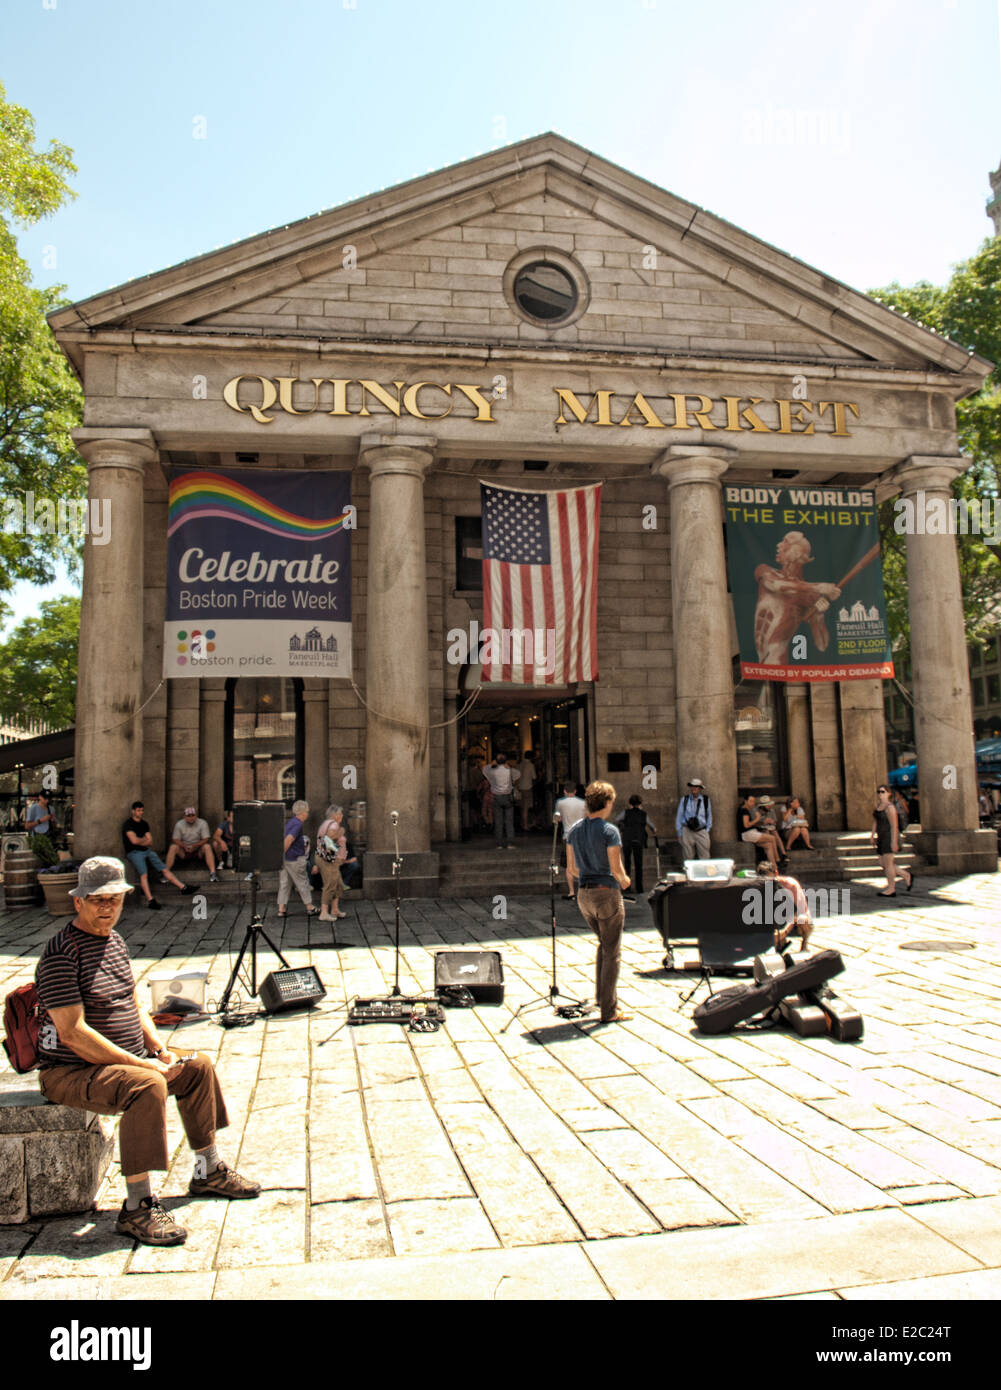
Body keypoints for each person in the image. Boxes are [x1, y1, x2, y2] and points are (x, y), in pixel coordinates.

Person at [35, 857, 260, 1248]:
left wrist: (157, 1048)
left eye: (115, 899)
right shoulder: (62, 953)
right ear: (78, 902)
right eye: (98, 899)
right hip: (70, 1072)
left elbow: (135, 1005)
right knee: (146, 1085)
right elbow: (72, 1032)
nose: (107, 907)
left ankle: (208, 1170)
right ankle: (138, 1206)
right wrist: (139, 1063)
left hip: (126, 1061)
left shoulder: (116, 942)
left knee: (198, 1066)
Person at [565, 781, 632, 1025]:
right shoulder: (609, 831)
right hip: (606, 893)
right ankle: (609, 1010)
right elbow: (617, 869)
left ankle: (601, 999)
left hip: (584, 895)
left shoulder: (574, 830)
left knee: (603, 944)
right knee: (612, 951)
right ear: (606, 803)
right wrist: (626, 881)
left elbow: (571, 868)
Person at [753, 531, 842, 666]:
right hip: (754, 663)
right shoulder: (765, 571)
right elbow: (775, 585)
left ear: (796, 554)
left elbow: (822, 645)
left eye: (785, 543)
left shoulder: (809, 596)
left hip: (776, 662)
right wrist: (818, 587)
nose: (779, 545)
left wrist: (819, 616)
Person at [122, 801, 195, 909]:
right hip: (134, 852)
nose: (140, 812)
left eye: (142, 810)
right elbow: (133, 841)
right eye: (138, 810)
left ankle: (183, 887)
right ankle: (150, 900)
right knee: (144, 875)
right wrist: (143, 840)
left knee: (164, 869)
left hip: (146, 850)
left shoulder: (144, 824)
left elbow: (150, 841)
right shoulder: (128, 824)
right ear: (133, 811)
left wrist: (141, 840)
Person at [757, 860, 813, 952]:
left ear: (776, 873)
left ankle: (804, 945)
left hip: (795, 918)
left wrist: (786, 930)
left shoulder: (791, 885)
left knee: (803, 918)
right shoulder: (762, 886)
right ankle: (779, 945)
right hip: (778, 919)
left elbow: (800, 910)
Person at [277, 799, 317, 917]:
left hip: (285, 858)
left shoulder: (290, 822)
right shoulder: (298, 824)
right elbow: (289, 839)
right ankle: (310, 907)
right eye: (307, 811)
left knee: (285, 883)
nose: (308, 814)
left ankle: (281, 909)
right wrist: (282, 852)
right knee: (302, 882)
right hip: (294, 858)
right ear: (303, 812)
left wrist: (280, 856)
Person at [615, 794, 658, 902]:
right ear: (640, 803)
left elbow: (616, 820)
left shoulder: (626, 813)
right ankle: (639, 887)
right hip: (638, 840)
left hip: (627, 839)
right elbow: (652, 826)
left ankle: (627, 887)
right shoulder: (643, 814)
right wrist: (653, 830)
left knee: (627, 864)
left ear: (630, 803)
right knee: (639, 864)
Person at [872, 784, 912, 897]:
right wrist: (872, 835)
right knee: (881, 862)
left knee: (888, 864)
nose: (880, 794)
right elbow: (875, 821)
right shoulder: (878, 806)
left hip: (889, 837)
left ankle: (891, 889)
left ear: (889, 793)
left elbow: (894, 826)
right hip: (881, 836)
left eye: (883, 792)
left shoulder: (890, 807)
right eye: (879, 792)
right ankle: (905, 875)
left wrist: (894, 842)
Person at [165, 807, 218, 882]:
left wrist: (196, 846)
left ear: (196, 816)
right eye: (188, 816)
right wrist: (183, 846)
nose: (191, 818)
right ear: (184, 816)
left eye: (193, 815)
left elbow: (206, 839)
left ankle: (213, 873)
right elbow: (175, 839)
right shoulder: (179, 824)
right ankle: (166, 873)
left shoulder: (202, 823)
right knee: (173, 847)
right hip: (183, 850)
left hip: (198, 850)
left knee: (207, 846)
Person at [315, 803, 348, 922]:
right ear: (335, 815)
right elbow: (330, 837)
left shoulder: (326, 823)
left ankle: (334, 909)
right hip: (329, 861)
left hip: (328, 859)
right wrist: (341, 831)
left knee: (338, 884)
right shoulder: (333, 825)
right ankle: (324, 913)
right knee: (330, 885)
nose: (342, 816)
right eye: (340, 813)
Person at [555, 781, 587, 898]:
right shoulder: (583, 803)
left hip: (568, 835)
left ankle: (572, 892)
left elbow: (557, 818)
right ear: (575, 791)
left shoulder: (561, 803)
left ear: (564, 791)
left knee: (569, 864)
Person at [482, 753, 520, 849]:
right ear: (506, 761)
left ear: (496, 761)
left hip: (496, 797)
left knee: (498, 821)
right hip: (508, 797)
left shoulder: (492, 771)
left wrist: (491, 764)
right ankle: (510, 843)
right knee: (509, 821)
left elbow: (484, 770)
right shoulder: (510, 771)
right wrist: (509, 766)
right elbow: (518, 774)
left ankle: (499, 843)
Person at [739, 793, 786, 869]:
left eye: (753, 801)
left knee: (769, 845)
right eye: (750, 801)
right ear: (745, 801)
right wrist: (757, 819)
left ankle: (774, 867)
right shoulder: (744, 811)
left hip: (753, 832)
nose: (753, 803)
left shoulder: (749, 810)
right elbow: (746, 825)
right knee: (772, 838)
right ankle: (778, 859)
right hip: (747, 834)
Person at [675, 777, 712, 860]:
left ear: (700, 788)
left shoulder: (705, 800)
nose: (694, 788)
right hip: (687, 829)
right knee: (688, 857)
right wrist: (680, 833)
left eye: (696, 787)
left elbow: (709, 815)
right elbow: (679, 816)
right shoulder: (684, 799)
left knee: (705, 856)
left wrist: (707, 830)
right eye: (692, 786)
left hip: (701, 829)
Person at [518, 752, 537, 831]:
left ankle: (522, 823)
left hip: (519, 788)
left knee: (521, 807)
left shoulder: (519, 765)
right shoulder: (530, 765)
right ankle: (525, 825)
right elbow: (534, 777)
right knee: (526, 807)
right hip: (527, 787)